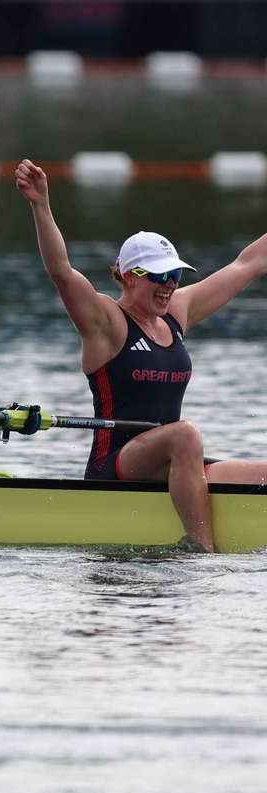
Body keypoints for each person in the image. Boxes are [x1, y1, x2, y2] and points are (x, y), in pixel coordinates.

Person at [15, 158, 267, 552]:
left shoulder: (176, 314)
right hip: (114, 466)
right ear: (130, 276)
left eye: (175, 276)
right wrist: (41, 205)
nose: (169, 285)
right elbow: (62, 271)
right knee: (185, 435)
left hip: (171, 464)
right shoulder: (106, 323)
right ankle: (202, 551)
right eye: (159, 276)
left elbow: (249, 263)